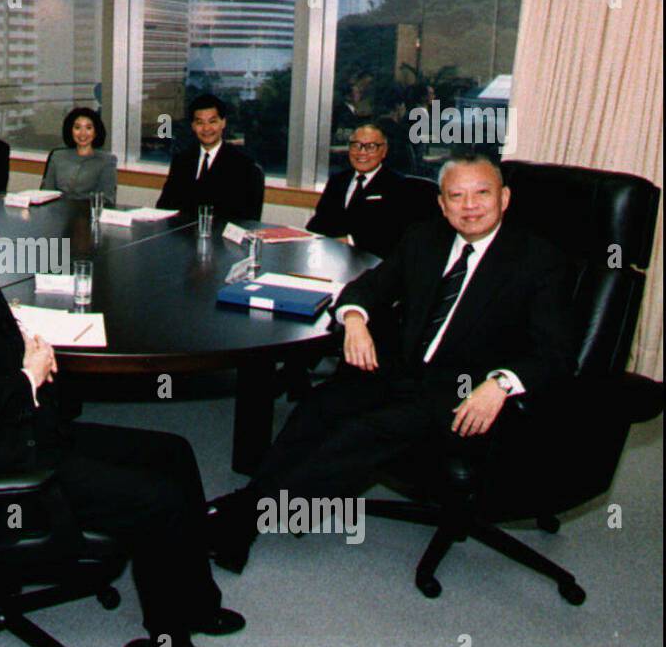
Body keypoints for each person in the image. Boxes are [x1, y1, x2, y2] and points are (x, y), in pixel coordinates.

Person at [0, 169, 241, 647]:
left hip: (22, 428)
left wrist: (29, 347)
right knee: (157, 499)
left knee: (173, 452)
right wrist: (27, 374)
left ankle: (195, 602)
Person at [209, 152, 575, 572]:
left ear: (504, 198)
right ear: (441, 203)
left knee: (359, 433)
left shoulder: (537, 260)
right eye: (456, 196)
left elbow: (557, 352)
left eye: (482, 194)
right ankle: (253, 508)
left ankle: (243, 519)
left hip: (463, 392)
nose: (469, 206)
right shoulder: (424, 238)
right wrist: (354, 320)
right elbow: (367, 288)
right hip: (405, 370)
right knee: (319, 407)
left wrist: (502, 383)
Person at [306, 120, 428, 258]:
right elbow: (316, 224)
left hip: (375, 264)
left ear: (384, 151)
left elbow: (391, 236)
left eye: (371, 146)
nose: (361, 152)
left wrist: (349, 241)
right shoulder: (337, 180)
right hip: (332, 257)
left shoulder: (398, 186)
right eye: (356, 145)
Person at [156, 94, 264, 222]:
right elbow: (164, 207)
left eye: (212, 121)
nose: (206, 128)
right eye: (200, 122)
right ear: (193, 126)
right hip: (182, 237)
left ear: (223, 123)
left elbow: (246, 219)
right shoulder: (181, 160)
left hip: (221, 239)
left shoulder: (244, 166)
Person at [40, 107, 117, 204]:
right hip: (58, 213)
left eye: (88, 128)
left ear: (96, 131)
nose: (82, 133)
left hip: (88, 215)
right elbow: (46, 193)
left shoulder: (107, 161)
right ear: (70, 130)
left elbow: (107, 199)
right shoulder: (57, 156)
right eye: (77, 128)